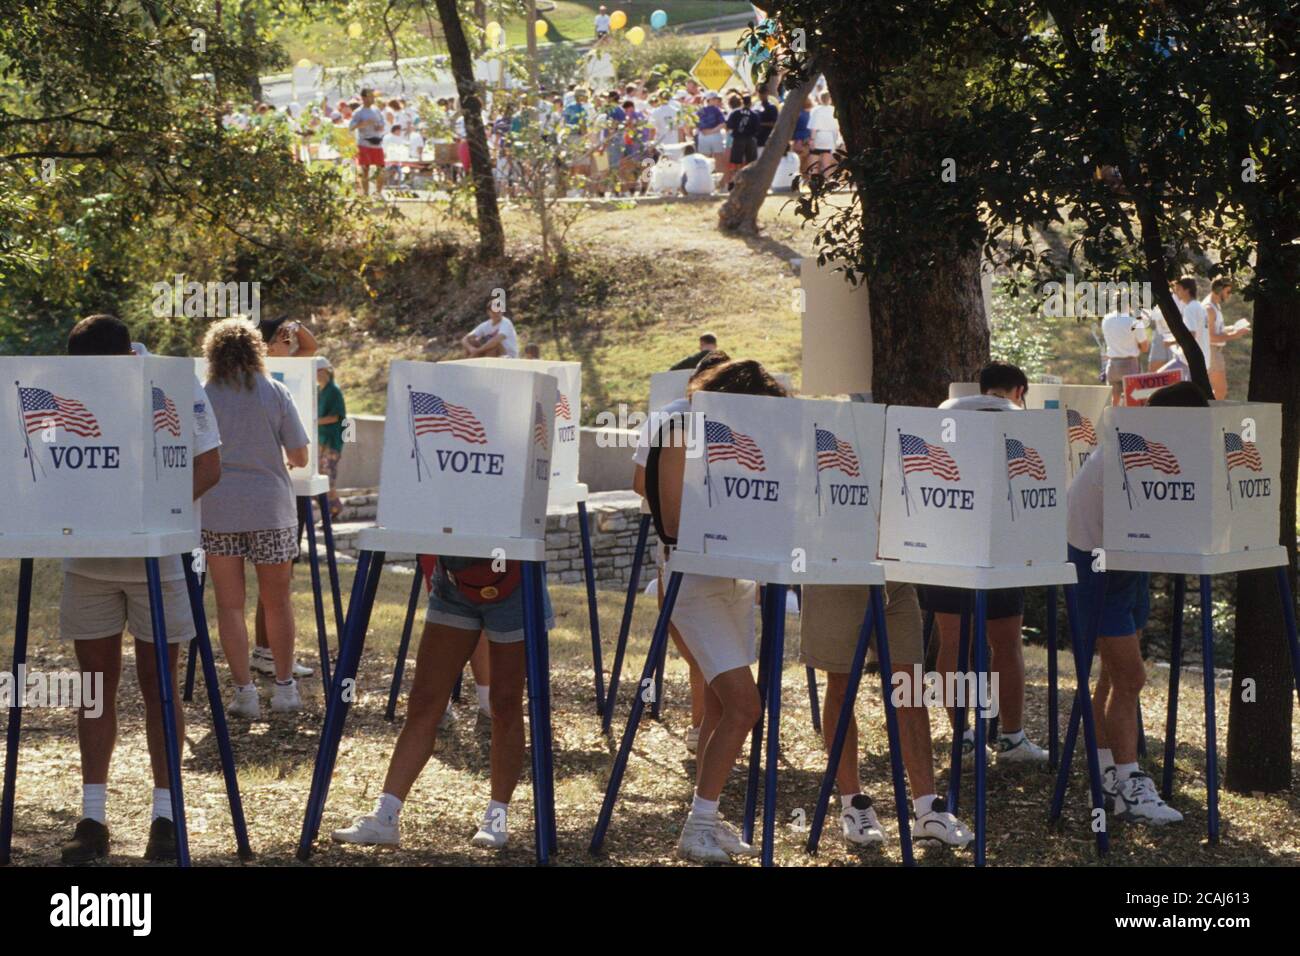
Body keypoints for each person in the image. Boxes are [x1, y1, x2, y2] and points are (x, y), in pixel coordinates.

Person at [57, 315, 222, 864]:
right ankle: (93, 817)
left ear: (129, 356)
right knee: (95, 689)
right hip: (89, 561)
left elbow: (209, 465)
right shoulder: (69, 386)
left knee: (161, 689)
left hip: (161, 561)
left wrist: (152, 511)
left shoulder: (173, 384)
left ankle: (166, 815)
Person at [648, 358, 795, 863]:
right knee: (745, 706)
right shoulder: (680, 431)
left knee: (718, 707)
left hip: (736, 580)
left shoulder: (749, 440)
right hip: (692, 582)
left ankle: (707, 815)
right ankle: (698, 826)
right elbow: (671, 519)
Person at [331, 550, 556, 849]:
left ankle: (497, 818)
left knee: (504, 703)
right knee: (425, 701)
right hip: (454, 581)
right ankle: (385, 818)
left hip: (515, 582)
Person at [1067, 381, 1208, 825]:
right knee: (1130, 677)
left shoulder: (1146, 447)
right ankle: (1129, 784)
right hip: (1095, 564)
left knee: (1114, 677)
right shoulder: (1128, 457)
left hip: (1126, 561)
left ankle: (1108, 770)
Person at [917, 362, 1049, 764]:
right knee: (1006, 641)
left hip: (946, 539)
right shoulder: (1020, 421)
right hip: (1001, 542)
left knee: (952, 639)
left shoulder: (947, 411)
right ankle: (1011, 737)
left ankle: (964, 735)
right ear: (1020, 390)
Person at [802, 579, 975, 848]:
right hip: (837, 574)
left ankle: (927, 810)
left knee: (910, 686)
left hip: (895, 577)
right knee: (841, 686)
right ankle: (853, 805)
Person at [200, 318, 310, 718]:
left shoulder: (204, 395)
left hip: (218, 508)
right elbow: (300, 455)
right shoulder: (275, 391)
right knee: (277, 601)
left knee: (230, 606)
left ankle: (244, 693)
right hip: (270, 508)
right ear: (256, 350)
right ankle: (284, 688)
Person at [631, 350, 732, 756]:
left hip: (704, 543)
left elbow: (640, 483)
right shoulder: (669, 419)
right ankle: (700, 725)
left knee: (709, 643)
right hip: (683, 541)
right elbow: (643, 483)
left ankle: (703, 725)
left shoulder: (674, 416)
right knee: (703, 640)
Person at [1203, 277, 1249, 400]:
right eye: (1228, 292)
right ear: (1219, 290)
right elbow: (1211, 337)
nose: (1229, 295)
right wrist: (1235, 335)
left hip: (1215, 351)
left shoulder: (1215, 305)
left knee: (1217, 390)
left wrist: (1233, 328)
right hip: (1211, 351)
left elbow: (1217, 330)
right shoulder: (1209, 308)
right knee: (1220, 390)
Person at [1101, 306, 1150, 406]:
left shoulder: (1106, 320)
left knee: (1114, 401)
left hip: (1112, 365)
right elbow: (1145, 347)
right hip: (1130, 365)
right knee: (1136, 400)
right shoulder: (1134, 322)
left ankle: (1111, 421)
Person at [317, 357, 347, 519]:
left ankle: (334, 507)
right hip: (321, 440)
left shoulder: (333, 391)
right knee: (320, 477)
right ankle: (331, 508)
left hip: (331, 441)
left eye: (318, 371)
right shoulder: (319, 391)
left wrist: (314, 421)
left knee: (327, 477)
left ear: (325, 371)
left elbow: (335, 416)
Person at [349, 87, 388, 196]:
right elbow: (351, 127)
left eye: (373, 96)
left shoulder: (376, 110)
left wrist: (380, 127)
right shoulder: (358, 112)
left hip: (377, 143)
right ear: (364, 98)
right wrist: (362, 124)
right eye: (370, 96)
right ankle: (366, 193)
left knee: (380, 168)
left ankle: (378, 193)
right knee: (365, 169)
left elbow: (382, 123)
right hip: (364, 143)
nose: (373, 99)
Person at [722, 94, 759, 190]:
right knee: (750, 162)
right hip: (750, 139)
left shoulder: (735, 113)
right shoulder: (754, 114)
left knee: (736, 163)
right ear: (750, 103)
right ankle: (749, 183)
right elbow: (757, 129)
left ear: (742, 102)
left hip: (738, 139)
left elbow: (729, 126)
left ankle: (734, 183)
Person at [808, 92, 840, 176]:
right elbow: (836, 128)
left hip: (818, 137)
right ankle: (827, 181)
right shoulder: (834, 110)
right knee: (827, 165)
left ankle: (813, 182)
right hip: (829, 138)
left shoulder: (816, 110)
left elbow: (814, 127)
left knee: (814, 164)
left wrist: (812, 139)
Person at [696, 93, 728, 168]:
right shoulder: (717, 110)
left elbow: (698, 125)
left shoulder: (700, 110)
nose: (717, 101)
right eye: (715, 99)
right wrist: (713, 131)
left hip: (703, 136)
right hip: (715, 136)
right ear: (710, 100)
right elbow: (723, 124)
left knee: (704, 160)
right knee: (718, 160)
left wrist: (708, 132)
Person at [755, 89, 780, 154]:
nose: (761, 96)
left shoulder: (772, 107)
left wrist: (760, 124)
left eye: (763, 94)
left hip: (766, 139)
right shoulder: (756, 105)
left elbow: (774, 123)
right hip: (756, 138)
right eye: (760, 94)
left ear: (767, 93)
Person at [792, 96, 813, 174]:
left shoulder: (798, 114)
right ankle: (805, 178)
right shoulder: (811, 113)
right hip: (808, 139)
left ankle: (799, 177)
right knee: (806, 161)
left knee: (798, 160)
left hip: (798, 140)